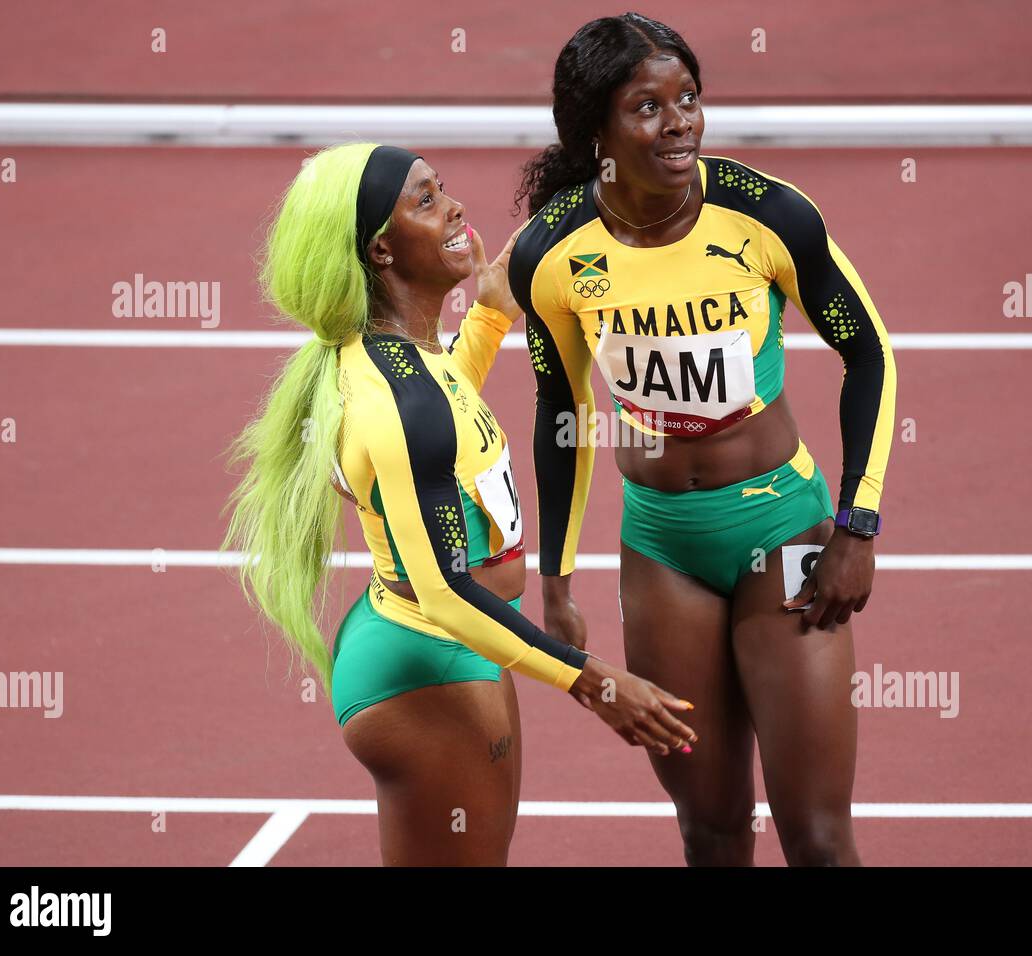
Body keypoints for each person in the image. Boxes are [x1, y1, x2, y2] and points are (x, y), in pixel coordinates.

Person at [223, 142, 697, 866]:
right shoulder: (394, 403)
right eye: (424, 200)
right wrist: (593, 681)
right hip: (428, 660)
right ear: (380, 250)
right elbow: (444, 590)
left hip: (453, 647)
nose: (455, 207)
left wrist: (489, 315)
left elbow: (447, 408)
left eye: (441, 188)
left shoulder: (398, 355)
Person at [510, 15, 897, 866]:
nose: (679, 121)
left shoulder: (766, 215)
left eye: (688, 98)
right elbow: (558, 411)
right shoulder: (551, 253)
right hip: (661, 548)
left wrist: (858, 526)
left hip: (785, 534)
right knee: (711, 830)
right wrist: (555, 576)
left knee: (821, 840)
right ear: (596, 131)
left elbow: (867, 352)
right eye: (647, 107)